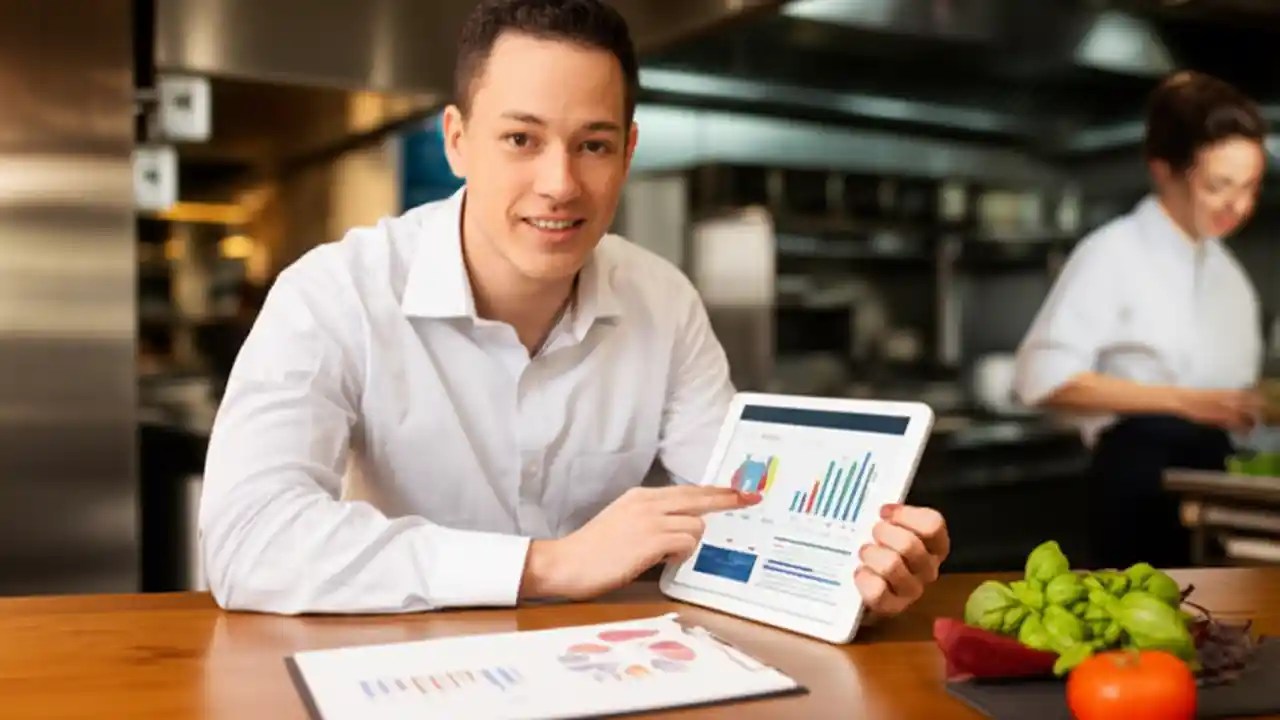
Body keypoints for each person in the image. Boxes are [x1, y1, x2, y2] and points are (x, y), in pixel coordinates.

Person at [198, 0, 949, 617]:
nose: (560, 184)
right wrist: (546, 565)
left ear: (627, 151)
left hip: (607, 672)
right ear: (457, 141)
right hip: (404, 672)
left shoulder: (662, 299)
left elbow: (735, 509)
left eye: (592, 146)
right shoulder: (335, 292)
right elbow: (248, 542)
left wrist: (850, 566)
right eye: (521, 138)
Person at [1013, 70, 1269, 570]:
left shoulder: (1228, 273)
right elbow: (1041, 379)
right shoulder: (1112, 252)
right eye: (1220, 186)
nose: (1238, 207)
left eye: (1251, 187)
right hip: (1137, 482)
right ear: (1164, 170)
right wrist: (1185, 401)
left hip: (1215, 483)